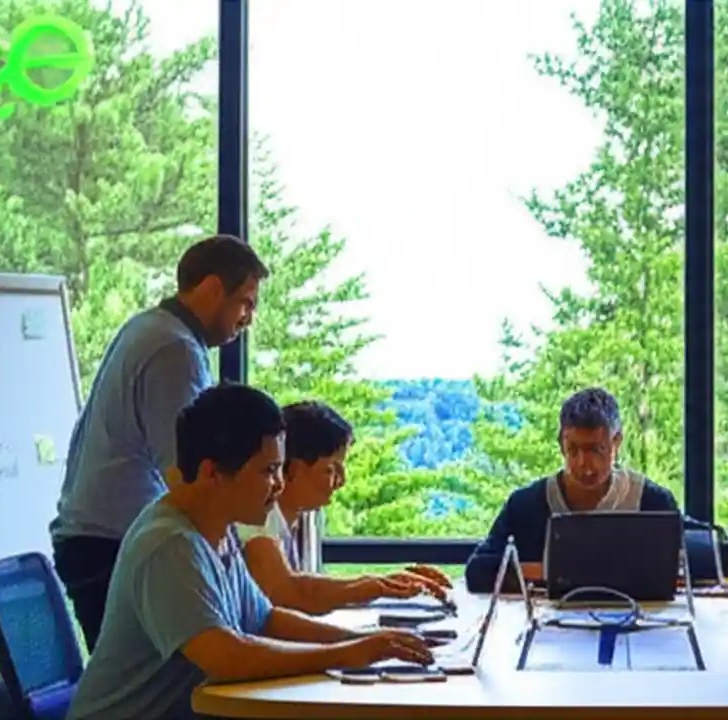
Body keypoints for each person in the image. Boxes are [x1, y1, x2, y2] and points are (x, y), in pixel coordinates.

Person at [66, 384, 433, 720]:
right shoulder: (169, 545)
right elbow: (227, 657)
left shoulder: (216, 531)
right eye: (269, 470)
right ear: (212, 472)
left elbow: (266, 619)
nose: (279, 484)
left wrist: (363, 642)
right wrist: (346, 655)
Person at [50, 235, 268, 651]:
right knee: (175, 683)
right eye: (246, 303)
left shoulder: (150, 328)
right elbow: (189, 477)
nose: (248, 319)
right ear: (211, 289)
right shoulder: (175, 350)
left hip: (97, 537)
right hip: (111, 545)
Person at [236, 400, 453, 614]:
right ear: (292, 469)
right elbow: (289, 594)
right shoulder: (255, 519)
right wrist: (377, 586)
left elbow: (312, 590)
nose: (342, 480)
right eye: (331, 470)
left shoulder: (305, 520)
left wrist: (387, 584)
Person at [464, 387, 679, 593]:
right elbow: (477, 571)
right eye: (573, 450)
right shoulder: (526, 506)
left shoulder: (651, 502)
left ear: (617, 442)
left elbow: (696, 561)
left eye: (597, 449)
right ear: (561, 444)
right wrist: (548, 573)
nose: (584, 464)